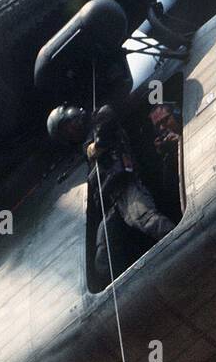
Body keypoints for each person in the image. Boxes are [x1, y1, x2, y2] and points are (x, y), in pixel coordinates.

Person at [46, 103, 175, 283]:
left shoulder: (100, 118)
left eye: (68, 126)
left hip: (126, 185)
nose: (71, 131)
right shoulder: (86, 147)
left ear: (73, 115)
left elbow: (107, 120)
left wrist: (99, 144)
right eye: (66, 133)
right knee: (103, 251)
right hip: (113, 200)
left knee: (146, 219)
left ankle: (180, 240)